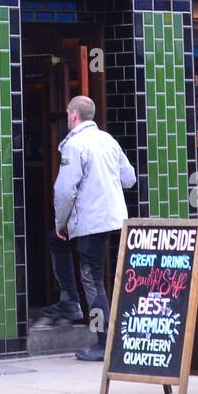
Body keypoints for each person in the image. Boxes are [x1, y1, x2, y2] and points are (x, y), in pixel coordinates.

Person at [53, 95, 136, 362]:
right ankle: (118, 337)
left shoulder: (74, 145)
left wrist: (60, 223)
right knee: (107, 278)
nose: (67, 117)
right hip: (115, 220)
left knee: (92, 281)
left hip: (90, 222)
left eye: (68, 114)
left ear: (74, 115)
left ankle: (103, 343)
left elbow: (65, 191)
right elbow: (129, 179)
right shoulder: (108, 140)